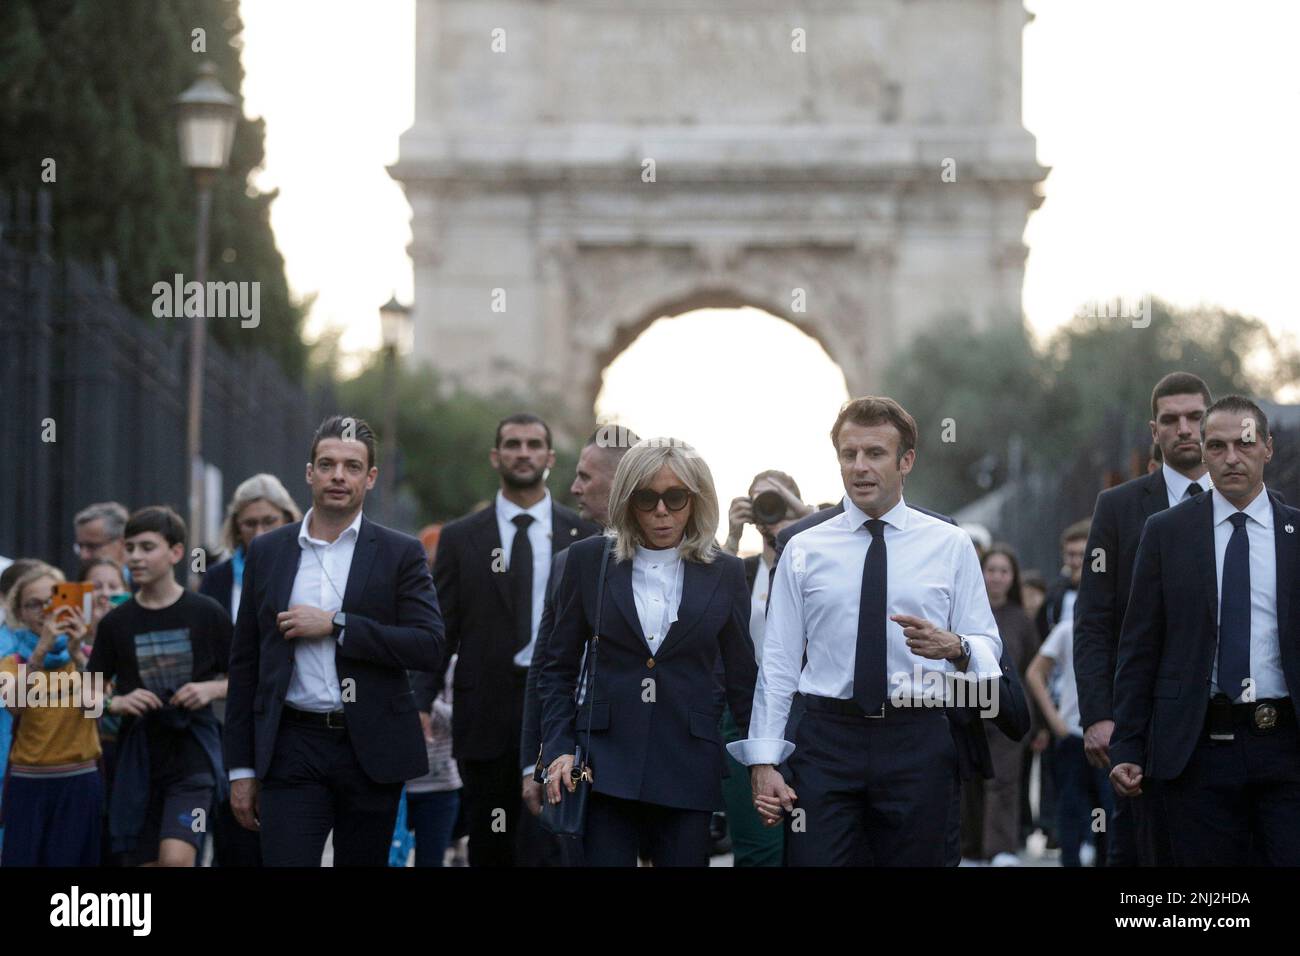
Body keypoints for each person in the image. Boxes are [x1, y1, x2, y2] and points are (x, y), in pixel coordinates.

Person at [730, 397, 1003, 866]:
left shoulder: (950, 543)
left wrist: (955, 646)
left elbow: (987, 647)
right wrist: (764, 759)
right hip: (825, 744)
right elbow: (777, 663)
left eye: (875, 453)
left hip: (918, 739)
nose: (859, 467)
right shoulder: (802, 547)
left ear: (906, 461)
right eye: (848, 454)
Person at [223, 415, 444, 867]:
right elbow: (246, 663)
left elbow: (427, 643)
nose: (338, 475)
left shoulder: (400, 552)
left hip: (370, 747)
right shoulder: (269, 551)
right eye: (326, 464)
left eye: (351, 466)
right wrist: (242, 769)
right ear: (309, 474)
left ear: (371, 477)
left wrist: (338, 626)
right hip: (291, 744)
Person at [539, 437, 758, 866]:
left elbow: (742, 680)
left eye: (676, 497)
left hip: (688, 765)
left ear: (695, 500)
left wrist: (764, 763)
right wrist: (559, 747)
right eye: (647, 498)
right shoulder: (588, 560)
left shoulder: (726, 572)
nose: (662, 511)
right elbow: (556, 668)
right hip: (603, 766)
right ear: (627, 501)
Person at [1111, 396, 1300, 865]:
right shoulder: (1166, 533)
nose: (1231, 457)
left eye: (1244, 444)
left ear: (1268, 448)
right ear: (1203, 451)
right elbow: (1140, 647)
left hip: (1287, 748)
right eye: (1217, 446)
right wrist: (1127, 746)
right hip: (1196, 751)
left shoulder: (1295, 534)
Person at [415, 413, 599, 867]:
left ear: (550, 458)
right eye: (513, 444)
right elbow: (443, 626)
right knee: (491, 841)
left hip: (559, 708)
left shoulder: (584, 535)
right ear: (496, 456)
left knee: (554, 840)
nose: (523, 453)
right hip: (484, 713)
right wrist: (419, 702)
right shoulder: (460, 538)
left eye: (534, 444)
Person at [1074, 371, 1212, 866]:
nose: (1184, 429)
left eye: (1195, 417)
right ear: (1154, 431)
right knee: (1141, 856)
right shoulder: (1117, 508)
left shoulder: (1245, 505)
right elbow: (1092, 618)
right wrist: (1098, 715)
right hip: (1143, 724)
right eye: (1170, 420)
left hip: (1227, 720)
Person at [88, 507, 231, 867]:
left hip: (193, 758)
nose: (136, 557)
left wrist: (209, 691)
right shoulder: (115, 623)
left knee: (177, 859)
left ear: (176, 553)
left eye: (147, 547)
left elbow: (248, 679)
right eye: (130, 548)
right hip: (136, 760)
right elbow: (88, 693)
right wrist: (116, 703)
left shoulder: (206, 612)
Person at [520, 426, 638, 858]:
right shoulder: (570, 563)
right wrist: (531, 763)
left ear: (623, 477)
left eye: (586, 476)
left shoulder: (680, 562)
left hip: (655, 763)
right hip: (578, 760)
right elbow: (547, 668)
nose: (573, 487)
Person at [200, 472, 301, 867]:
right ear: (235, 527)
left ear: (288, 519)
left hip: (289, 716)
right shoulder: (218, 577)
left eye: (269, 521)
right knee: (234, 832)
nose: (259, 531)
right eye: (250, 523)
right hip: (231, 717)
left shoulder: (305, 567)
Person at [720, 469, 810, 866]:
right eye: (760, 500)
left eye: (778, 498)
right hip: (745, 713)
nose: (769, 508)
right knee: (759, 839)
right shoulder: (741, 569)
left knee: (814, 835)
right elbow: (707, 602)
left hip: (809, 712)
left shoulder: (815, 557)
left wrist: (796, 514)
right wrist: (733, 537)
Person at [0, 563, 103, 866]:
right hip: (29, 781)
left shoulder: (87, 655)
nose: (46, 611)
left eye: (54, 600)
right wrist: (40, 652)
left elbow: (94, 707)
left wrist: (76, 655)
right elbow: (15, 705)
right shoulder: (12, 661)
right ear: (19, 613)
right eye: (34, 604)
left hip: (79, 779)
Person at [961, 544, 1037, 865]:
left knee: (1003, 783)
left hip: (1008, 716)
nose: (996, 577)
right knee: (969, 783)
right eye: (991, 570)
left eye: (1003, 571)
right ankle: (970, 848)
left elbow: (1034, 672)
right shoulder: (966, 613)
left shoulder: (1022, 620)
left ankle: (1001, 850)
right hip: (969, 710)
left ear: (1013, 577)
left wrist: (1039, 726)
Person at [1027, 614, 1113, 866]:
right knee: (1070, 807)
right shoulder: (1067, 630)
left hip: (1111, 736)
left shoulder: (1119, 627)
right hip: (1073, 735)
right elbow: (1035, 673)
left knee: (1107, 810)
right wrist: (1057, 723)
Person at [74, 502, 132, 589]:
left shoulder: (143, 587)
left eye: (92, 546)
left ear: (122, 544)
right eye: (80, 547)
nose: (83, 556)